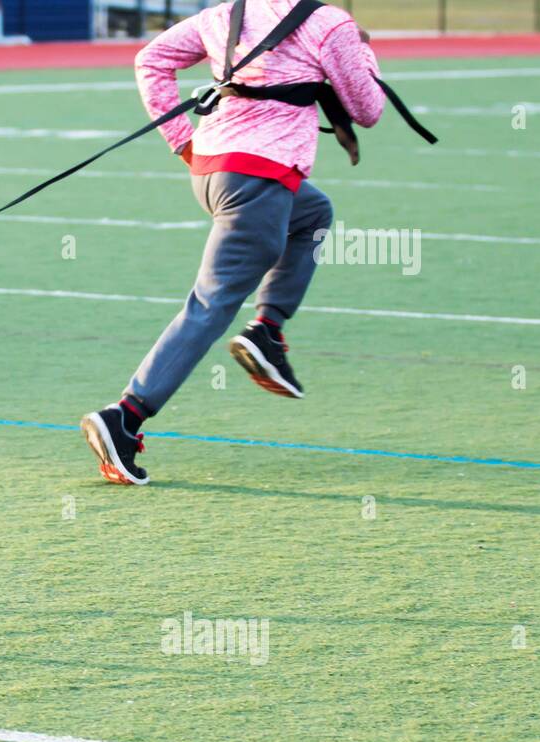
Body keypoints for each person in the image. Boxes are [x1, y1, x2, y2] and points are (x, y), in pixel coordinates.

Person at [80, 0, 385, 485]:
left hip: (216, 170)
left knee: (313, 213)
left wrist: (183, 142)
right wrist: (363, 53)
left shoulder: (228, 11)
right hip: (258, 180)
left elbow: (151, 60)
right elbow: (367, 109)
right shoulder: (331, 25)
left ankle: (267, 331)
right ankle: (125, 417)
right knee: (211, 305)